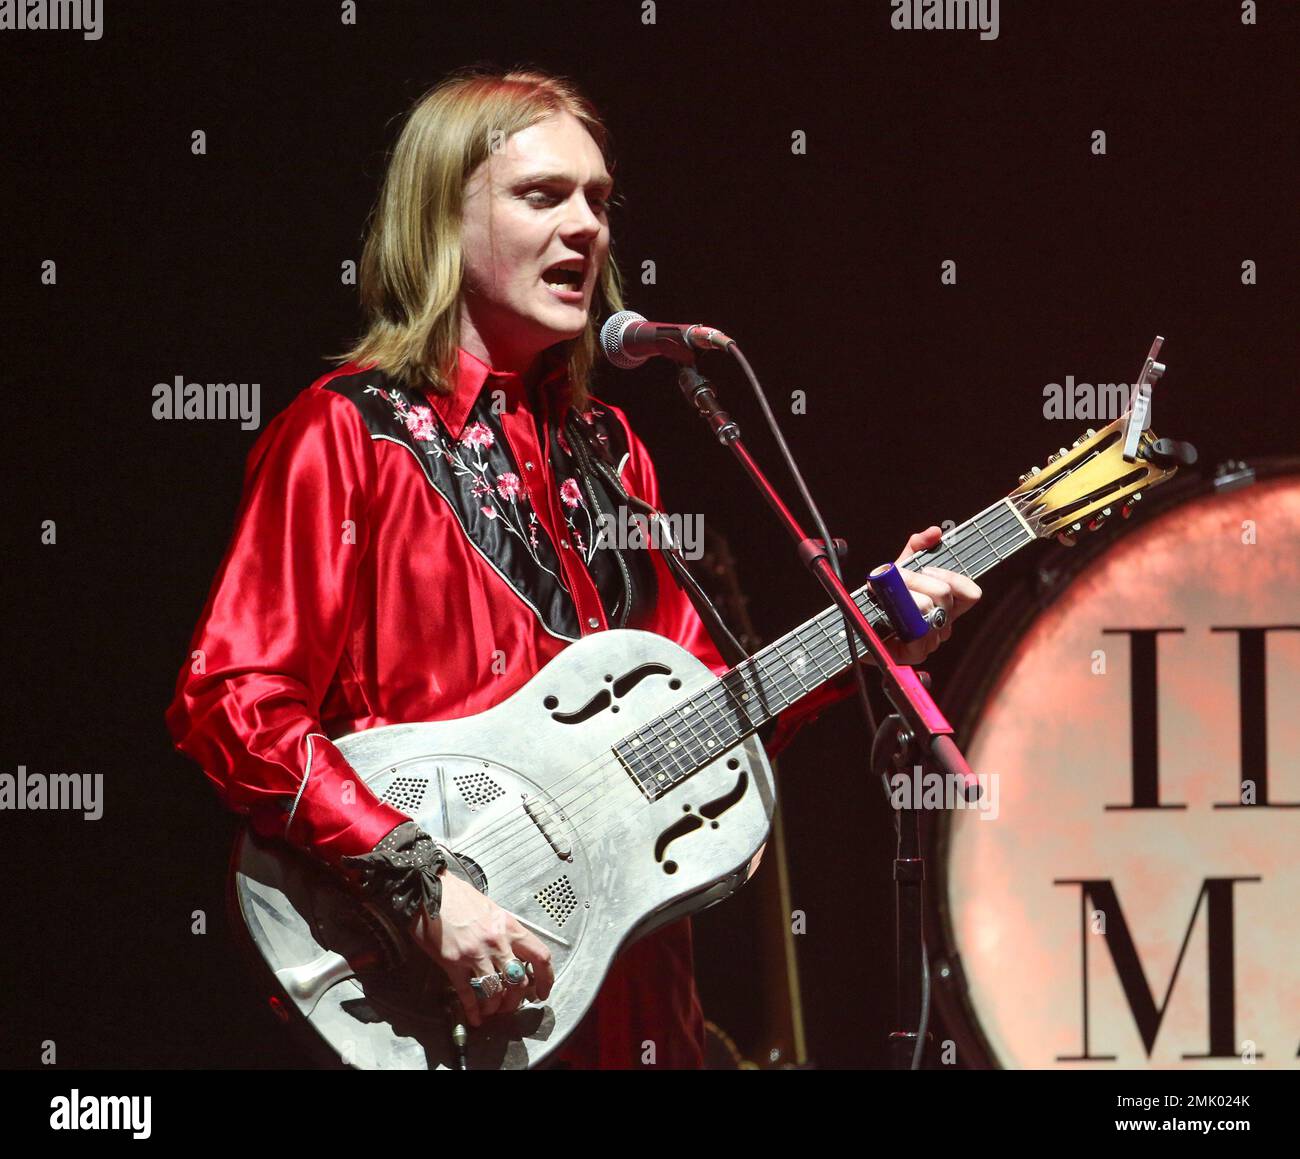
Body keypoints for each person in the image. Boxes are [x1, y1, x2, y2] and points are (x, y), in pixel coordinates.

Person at [165, 67, 980, 1069]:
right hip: (433, 973)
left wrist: (870, 632)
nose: (587, 227)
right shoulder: (347, 432)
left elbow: (703, 717)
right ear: (436, 222)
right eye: (542, 196)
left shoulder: (612, 448)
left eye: (598, 199)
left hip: (628, 994)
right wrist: (421, 881)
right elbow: (233, 698)